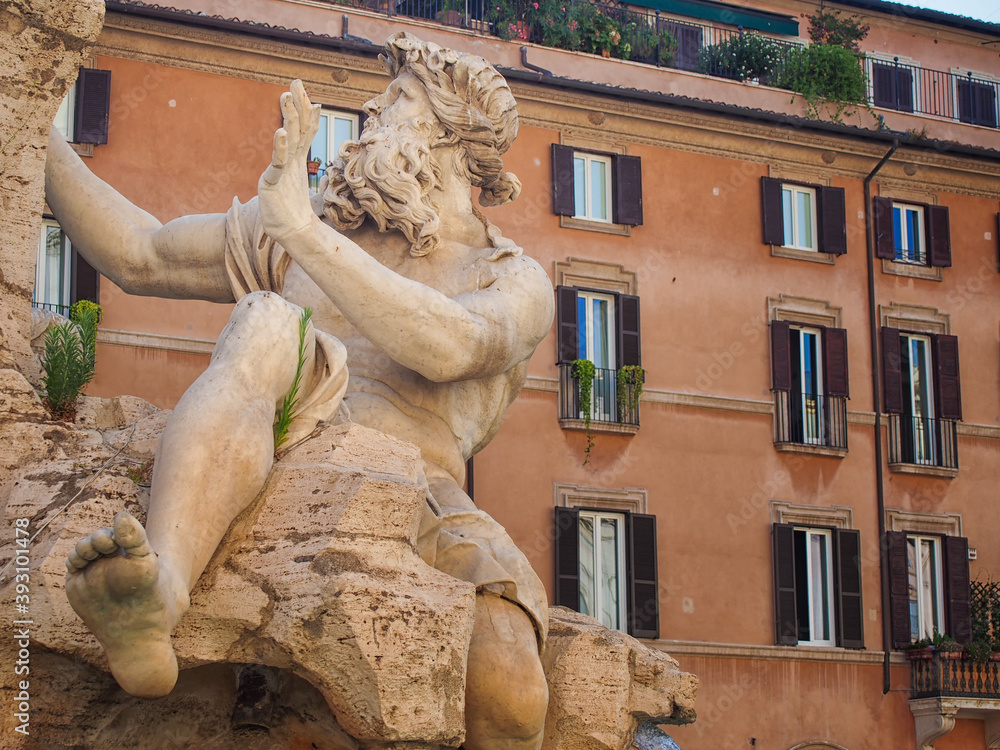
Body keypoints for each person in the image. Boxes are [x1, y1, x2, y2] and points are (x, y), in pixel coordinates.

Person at [46, 32, 554, 750]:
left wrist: (302, 233)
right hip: (272, 442)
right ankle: (157, 598)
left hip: (422, 492)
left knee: (510, 686)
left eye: (399, 97)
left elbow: (452, 346)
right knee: (268, 318)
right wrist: (30, 122)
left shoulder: (509, 277)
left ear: (451, 136)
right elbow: (140, 252)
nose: (373, 108)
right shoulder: (300, 222)